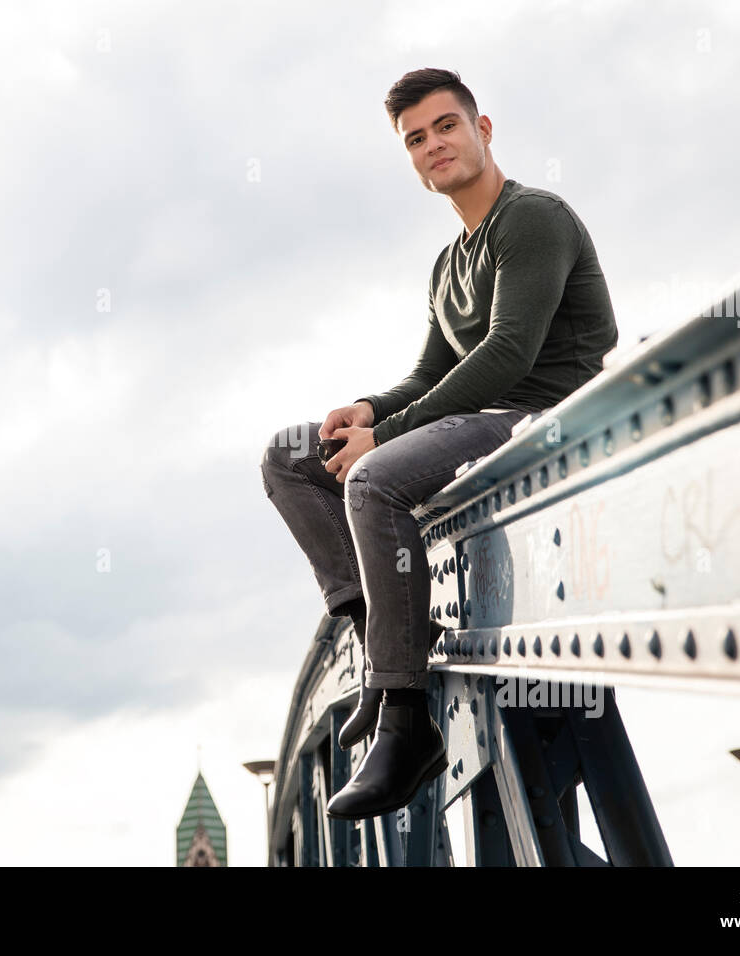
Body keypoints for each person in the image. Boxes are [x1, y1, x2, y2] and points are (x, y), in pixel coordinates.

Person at [260, 68, 619, 820]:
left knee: (373, 480)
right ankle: (383, 636)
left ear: (482, 129)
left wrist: (383, 438)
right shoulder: (449, 261)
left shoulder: (534, 217)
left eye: (445, 127)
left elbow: (508, 356)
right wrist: (364, 409)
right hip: (474, 425)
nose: (433, 146)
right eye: (415, 139)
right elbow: (433, 371)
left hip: (545, 426)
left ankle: (404, 716)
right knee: (290, 455)